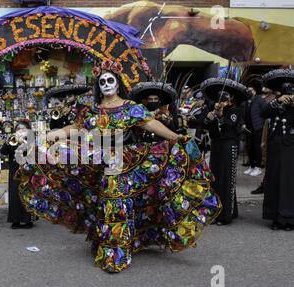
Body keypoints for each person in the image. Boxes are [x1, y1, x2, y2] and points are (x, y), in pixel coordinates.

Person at [16, 60, 222, 273]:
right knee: (105, 202)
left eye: (110, 80)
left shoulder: (131, 109)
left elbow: (151, 124)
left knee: (118, 203)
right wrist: (44, 136)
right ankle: (113, 245)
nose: (106, 84)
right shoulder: (94, 112)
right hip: (100, 161)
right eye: (102, 81)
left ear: (117, 83)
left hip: (126, 161)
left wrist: (176, 137)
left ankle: (116, 252)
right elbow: (73, 129)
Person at [200, 78, 249, 226]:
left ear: (232, 97)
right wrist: (209, 118)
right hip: (216, 146)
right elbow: (203, 123)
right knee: (216, 179)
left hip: (229, 146)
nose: (223, 99)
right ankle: (216, 211)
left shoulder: (235, 110)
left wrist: (220, 115)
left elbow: (229, 124)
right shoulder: (212, 109)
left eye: (226, 96)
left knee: (227, 180)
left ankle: (225, 215)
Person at [260, 69, 294, 231]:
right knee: (274, 180)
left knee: (290, 182)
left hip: (291, 146)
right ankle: (276, 217)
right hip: (275, 146)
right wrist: (279, 101)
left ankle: (290, 218)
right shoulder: (275, 101)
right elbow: (263, 112)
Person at [0, 120, 34, 229]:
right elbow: (3, 152)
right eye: (18, 129)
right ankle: (15, 221)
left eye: (22, 129)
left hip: (26, 171)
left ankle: (28, 220)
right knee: (14, 195)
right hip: (14, 171)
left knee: (27, 194)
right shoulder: (12, 140)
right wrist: (7, 142)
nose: (20, 131)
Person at [243, 86, 266, 177]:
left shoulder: (259, 99)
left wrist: (261, 122)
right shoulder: (247, 101)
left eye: (251, 90)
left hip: (257, 127)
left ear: (255, 91)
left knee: (257, 147)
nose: (249, 91)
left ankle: (258, 167)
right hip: (248, 128)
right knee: (250, 147)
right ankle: (252, 166)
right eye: (248, 90)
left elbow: (265, 110)